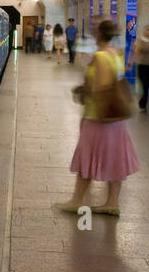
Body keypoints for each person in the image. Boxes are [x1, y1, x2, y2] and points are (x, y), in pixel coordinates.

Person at [58, 19, 140, 217]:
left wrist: (85, 89)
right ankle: (112, 202)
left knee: (87, 156)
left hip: (98, 118)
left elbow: (102, 86)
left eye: (95, 31)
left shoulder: (101, 56)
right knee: (115, 159)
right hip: (116, 119)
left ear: (99, 35)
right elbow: (117, 80)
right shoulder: (117, 54)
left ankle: (77, 200)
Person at [128, 24, 149, 113]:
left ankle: (143, 101)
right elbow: (135, 53)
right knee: (145, 84)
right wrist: (130, 64)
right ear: (145, 31)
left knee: (147, 85)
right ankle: (144, 101)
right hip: (142, 66)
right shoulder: (139, 41)